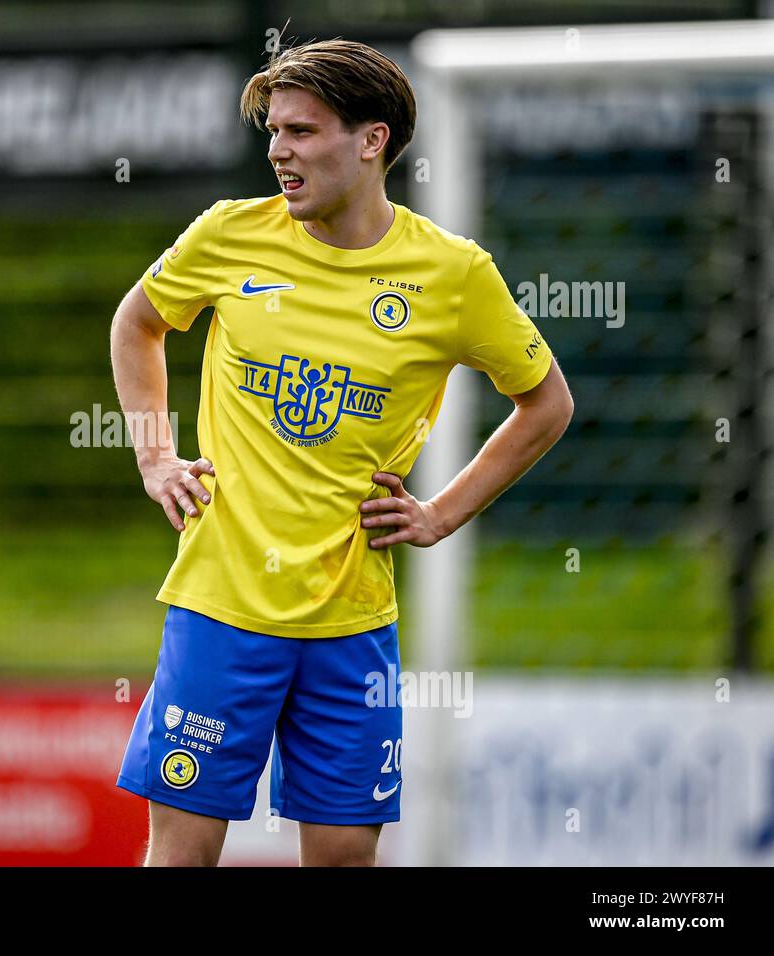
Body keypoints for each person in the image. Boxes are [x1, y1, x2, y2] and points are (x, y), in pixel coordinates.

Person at [111, 38, 573, 866]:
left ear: (373, 141)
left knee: (342, 856)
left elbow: (545, 404)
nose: (278, 151)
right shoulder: (229, 233)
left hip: (352, 619)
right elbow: (137, 322)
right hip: (222, 603)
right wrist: (155, 456)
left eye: (302, 131)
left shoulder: (454, 274)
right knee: (181, 852)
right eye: (275, 132)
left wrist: (441, 514)